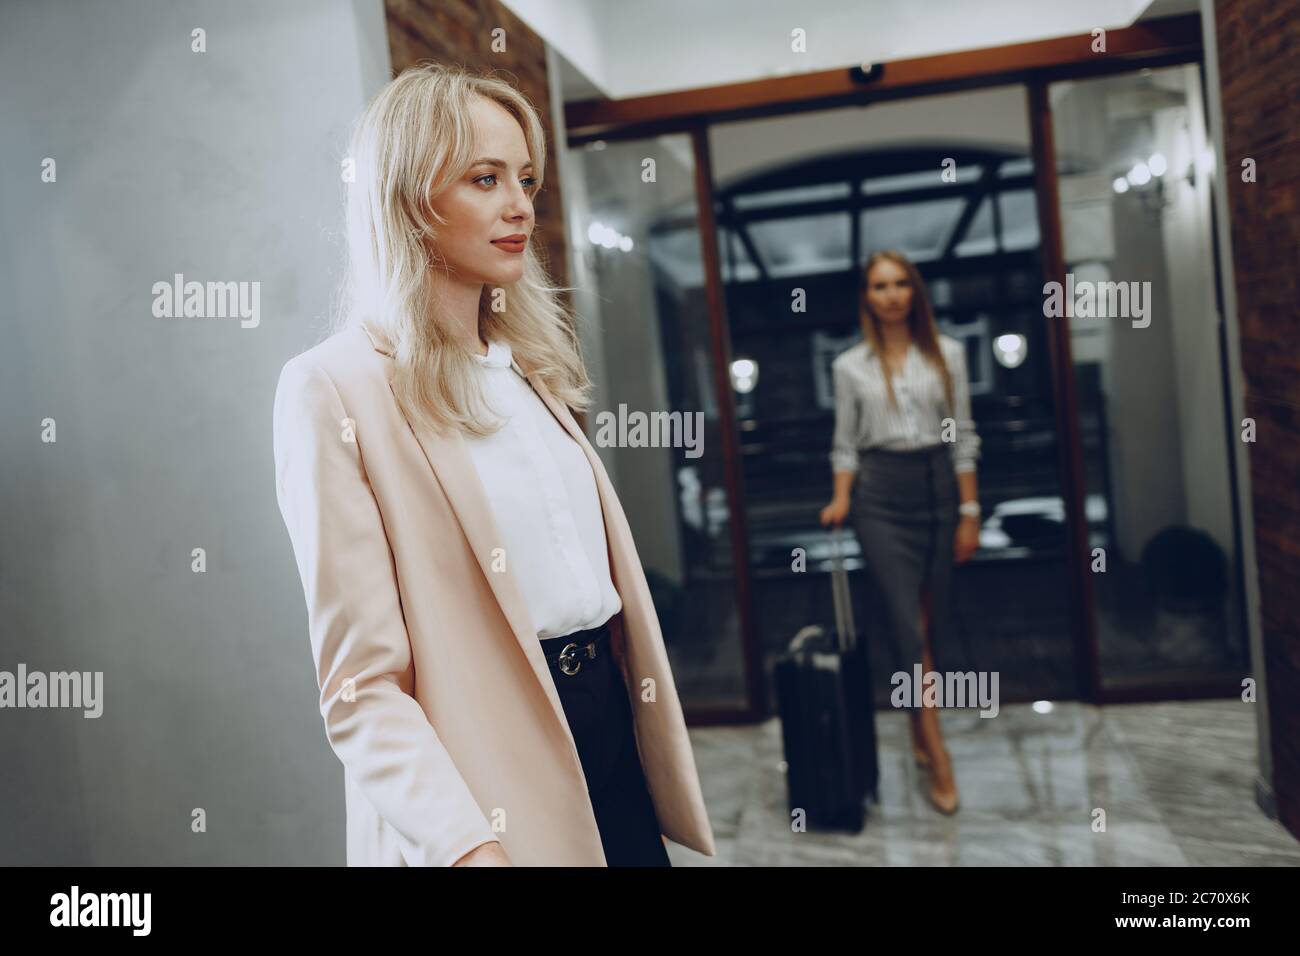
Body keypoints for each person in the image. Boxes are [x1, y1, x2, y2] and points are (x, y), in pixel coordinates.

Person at [272, 63, 715, 866]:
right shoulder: (334, 388)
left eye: (526, 178)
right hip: (482, 776)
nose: (519, 205)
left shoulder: (526, 366)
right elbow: (361, 690)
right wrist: (467, 845)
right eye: (485, 178)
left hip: (604, 729)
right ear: (408, 197)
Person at [819, 250, 982, 815]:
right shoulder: (850, 366)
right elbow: (846, 441)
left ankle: (918, 720)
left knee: (927, 623)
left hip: (937, 489)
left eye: (899, 284)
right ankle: (936, 752)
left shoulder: (949, 356)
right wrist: (841, 496)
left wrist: (970, 510)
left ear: (913, 292)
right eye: (879, 286)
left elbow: (964, 435)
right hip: (880, 497)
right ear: (867, 297)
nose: (891, 294)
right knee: (907, 629)